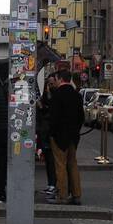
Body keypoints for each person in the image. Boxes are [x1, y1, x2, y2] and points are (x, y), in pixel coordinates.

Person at [49, 69, 85, 206]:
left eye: (56, 79)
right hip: (73, 136)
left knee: (60, 165)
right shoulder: (77, 95)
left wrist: (52, 133)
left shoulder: (57, 95)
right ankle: (76, 195)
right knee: (73, 164)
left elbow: (54, 118)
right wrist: (75, 130)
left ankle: (62, 195)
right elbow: (81, 117)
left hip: (59, 136)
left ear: (59, 79)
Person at [36, 75, 58, 200]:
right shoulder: (46, 96)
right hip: (44, 131)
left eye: (51, 83)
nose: (49, 86)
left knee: (52, 161)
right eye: (48, 84)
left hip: (51, 132)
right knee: (48, 161)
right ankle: (50, 183)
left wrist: (43, 108)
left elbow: (51, 114)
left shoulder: (54, 97)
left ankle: (54, 185)